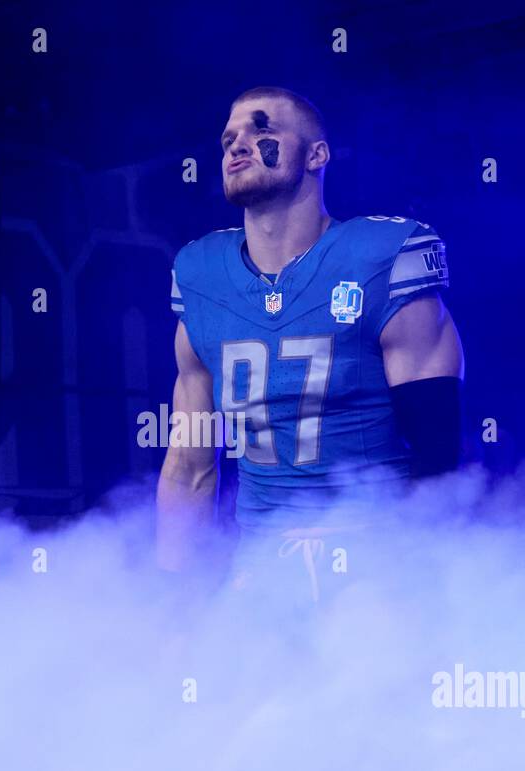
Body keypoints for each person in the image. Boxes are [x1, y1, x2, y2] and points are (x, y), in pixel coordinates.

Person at [156, 86, 465, 595]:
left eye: (262, 130)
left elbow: (438, 457)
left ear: (316, 154)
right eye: (228, 138)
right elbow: (189, 465)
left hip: (376, 559)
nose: (237, 145)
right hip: (260, 570)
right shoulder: (200, 276)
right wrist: (172, 600)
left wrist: (419, 586)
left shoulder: (380, 256)